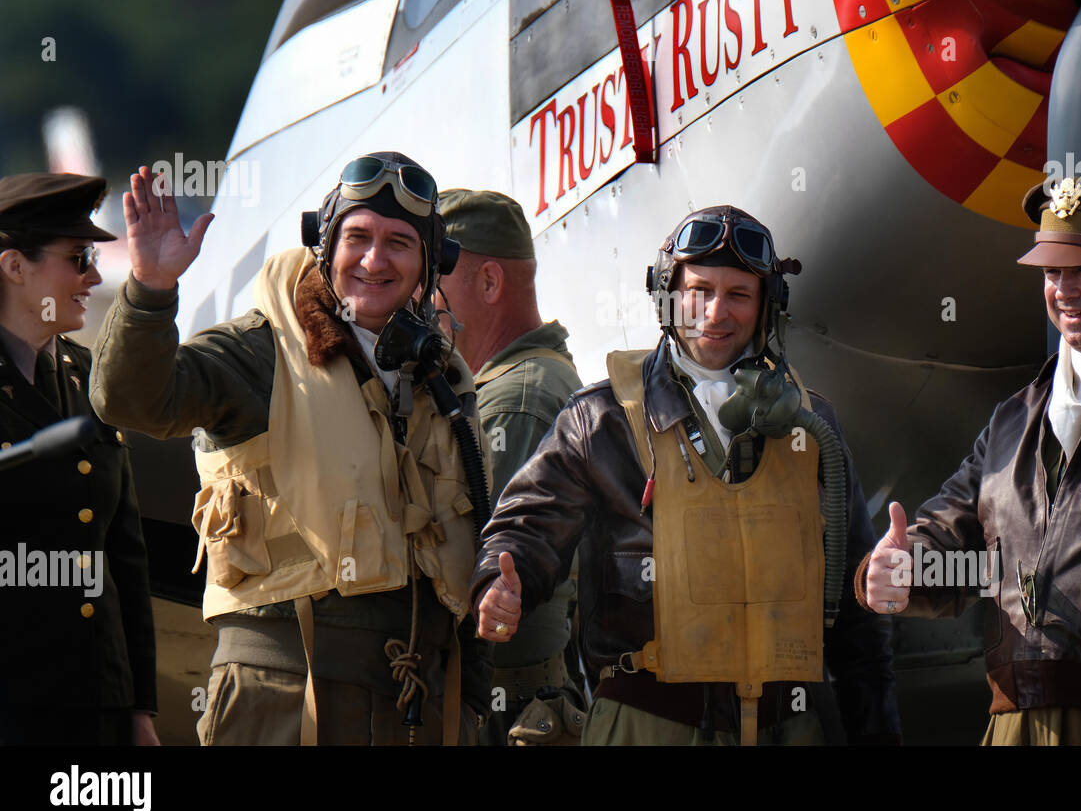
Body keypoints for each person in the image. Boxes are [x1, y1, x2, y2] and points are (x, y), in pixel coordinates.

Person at [90, 153, 492, 745]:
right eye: (357, 237)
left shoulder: (439, 382)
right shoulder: (259, 353)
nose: (375, 260)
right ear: (325, 245)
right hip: (283, 699)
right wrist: (151, 290)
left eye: (400, 243)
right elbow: (131, 399)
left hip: (416, 707)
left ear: (430, 264)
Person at [472, 205, 900, 745]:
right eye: (698, 290)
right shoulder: (600, 420)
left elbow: (859, 631)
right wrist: (499, 581)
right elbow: (526, 529)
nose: (715, 313)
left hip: (790, 726)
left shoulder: (812, 428)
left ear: (769, 306)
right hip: (647, 725)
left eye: (739, 294)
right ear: (667, 296)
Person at [860, 181, 1081, 744]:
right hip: (1012, 719)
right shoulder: (1015, 416)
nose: (1064, 290)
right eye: (1051, 273)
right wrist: (903, 567)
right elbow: (955, 534)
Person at [0, 172, 159, 746]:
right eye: (78, 257)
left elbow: (125, 553)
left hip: (98, 703)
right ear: (14, 266)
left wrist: (140, 708)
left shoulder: (90, 376)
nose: (94, 276)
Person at [436, 187, 585, 745]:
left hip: (504, 709)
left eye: (435, 283)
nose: (422, 302)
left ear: (490, 283)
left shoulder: (516, 399)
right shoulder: (531, 380)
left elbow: (476, 563)